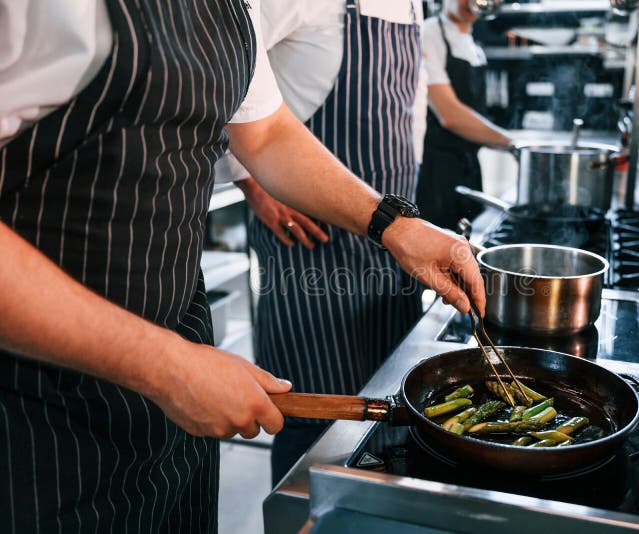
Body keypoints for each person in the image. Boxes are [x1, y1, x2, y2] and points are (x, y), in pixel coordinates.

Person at [0, 1, 485, 532]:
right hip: (41, 409)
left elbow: (265, 131)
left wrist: (393, 224)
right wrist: (164, 365)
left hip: (179, 372)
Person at [216, 0, 428, 485]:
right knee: (313, 408)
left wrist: (409, 222)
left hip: (391, 243)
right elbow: (223, 83)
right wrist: (252, 186)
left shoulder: (414, 8)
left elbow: (408, 119)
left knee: (388, 407)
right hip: (310, 242)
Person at [416, 0, 514, 230]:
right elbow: (450, 115)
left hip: (469, 167)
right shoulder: (428, 34)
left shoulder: (474, 46)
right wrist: (511, 143)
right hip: (436, 172)